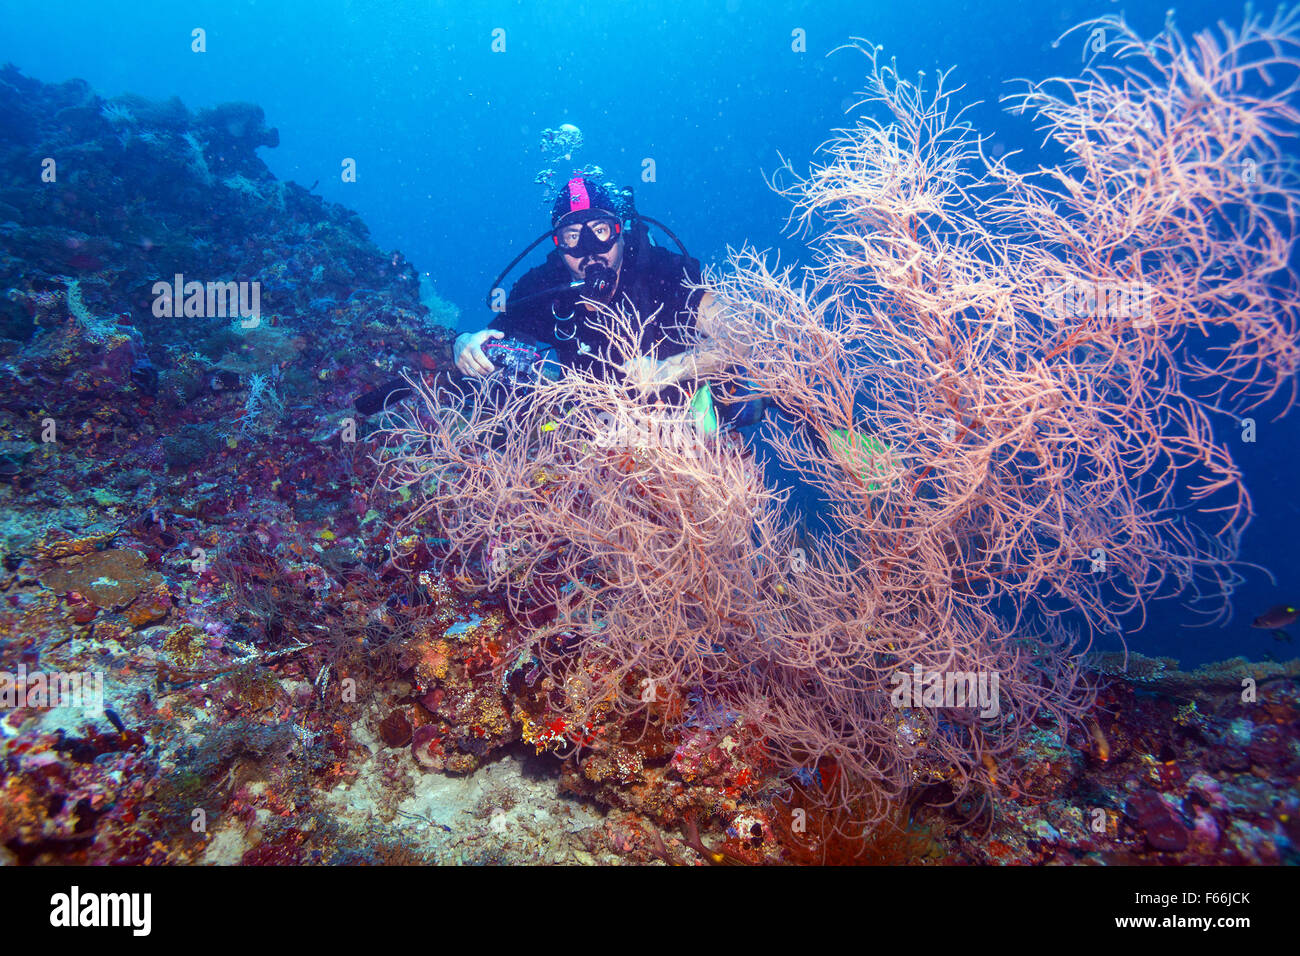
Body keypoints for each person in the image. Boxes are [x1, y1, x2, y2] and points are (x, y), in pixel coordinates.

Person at [454, 176, 731, 404]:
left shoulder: (664, 272)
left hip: (681, 414)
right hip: (597, 430)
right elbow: (491, 340)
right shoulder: (545, 287)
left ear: (620, 232)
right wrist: (463, 342)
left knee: (739, 403)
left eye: (600, 231)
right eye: (572, 236)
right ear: (558, 245)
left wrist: (667, 370)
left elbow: (738, 334)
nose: (589, 250)